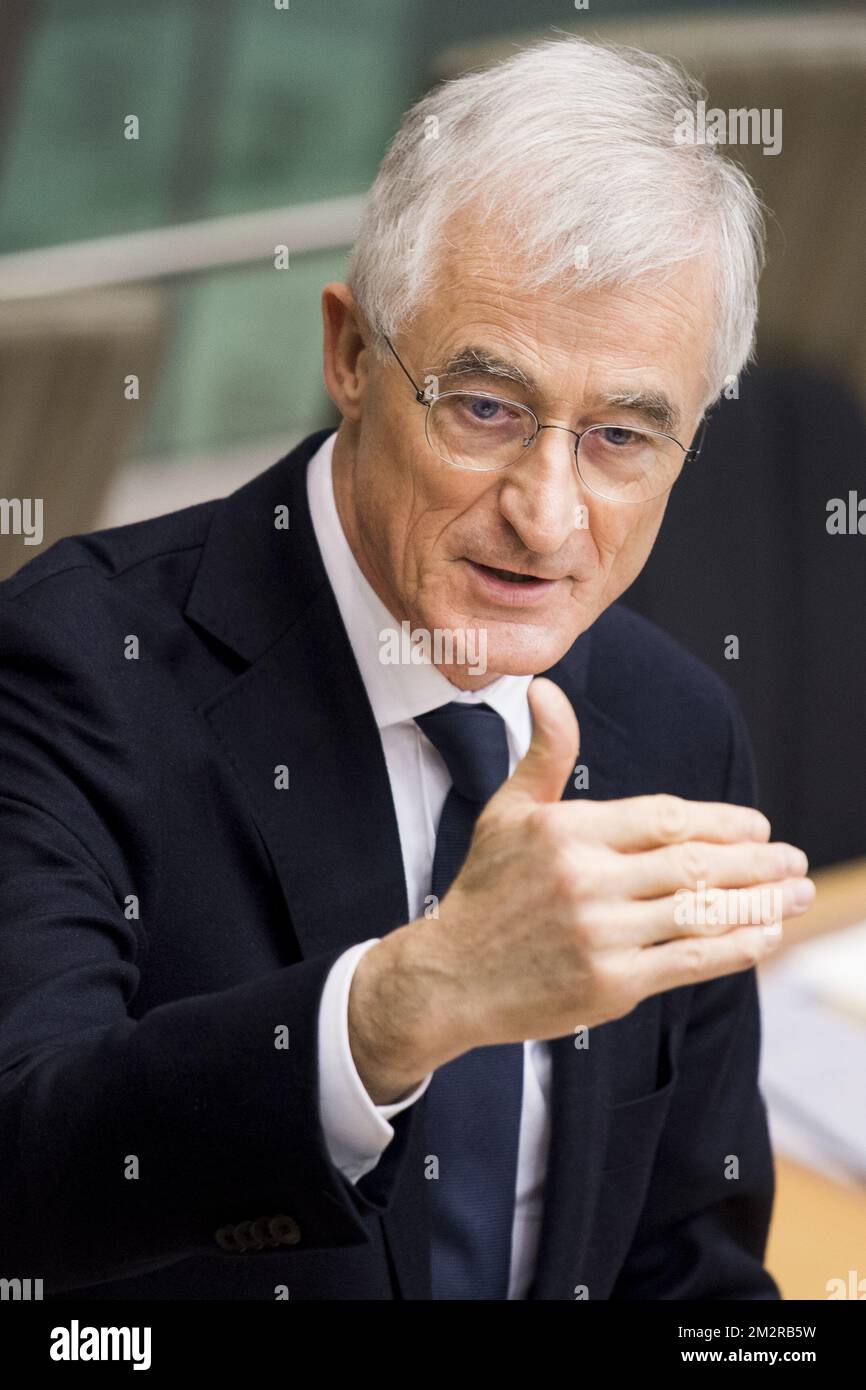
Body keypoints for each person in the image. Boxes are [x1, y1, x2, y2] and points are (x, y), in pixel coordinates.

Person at [0, 35, 814, 1301]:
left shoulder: (672, 721)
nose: (545, 518)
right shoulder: (70, 664)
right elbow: (25, 1163)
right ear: (349, 357)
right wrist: (402, 1003)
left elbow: (687, 1264)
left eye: (618, 437)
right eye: (484, 408)